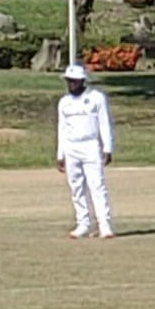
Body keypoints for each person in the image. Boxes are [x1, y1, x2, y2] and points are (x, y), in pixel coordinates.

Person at [57, 63, 115, 240]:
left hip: (90, 145)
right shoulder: (64, 102)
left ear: (83, 81)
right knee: (76, 186)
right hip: (71, 147)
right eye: (69, 81)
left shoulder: (96, 98)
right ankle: (83, 223)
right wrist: (60, 154)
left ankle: (104, 225)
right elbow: (62, 129)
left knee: (96, 185)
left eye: (75, 81)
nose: (71, 85)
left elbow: (104, 123)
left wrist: (107, 147)